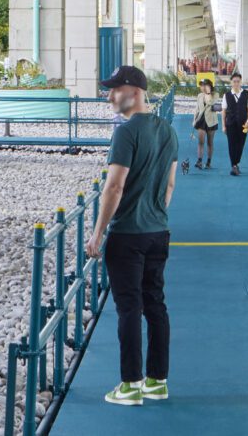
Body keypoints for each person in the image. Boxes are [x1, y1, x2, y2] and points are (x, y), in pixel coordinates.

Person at [86, 65, 178, 408]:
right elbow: (169, 186)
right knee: (155, 304)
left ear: (135, 92)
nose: (109, 96)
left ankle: (130, 384)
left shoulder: (125, 133)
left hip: (127, 234)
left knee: (128, 308)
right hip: (158, 231)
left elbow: (114, 187)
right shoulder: (168, 130)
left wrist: (97, 233)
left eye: (115, 89)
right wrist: (154, 213)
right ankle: (157, 380)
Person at [222, 72, 248, 176]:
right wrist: (223, 125)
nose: (236, 83)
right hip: (230, 123)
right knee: (231, 144)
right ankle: (234, 165)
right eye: (234, 81)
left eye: (238, 81)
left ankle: (236, 163)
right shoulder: (226, 95)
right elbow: (223, 111)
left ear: (241, 82)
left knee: (240, 144)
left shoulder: (247, 94)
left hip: (243, 124)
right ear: (231, 82)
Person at [191, 78, 218, 170]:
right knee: (200, 141)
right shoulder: (199, 95)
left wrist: (208, 93)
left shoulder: (215, 94)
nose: (202, 87)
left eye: (204, 85)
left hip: (211, 121)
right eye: (201, 85)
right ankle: (199, 161)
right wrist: (194, 120)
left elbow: (211, 102)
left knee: (210, 142)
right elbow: (197, 109)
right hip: (201, 120)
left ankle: (209, 162)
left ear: (209, 86)